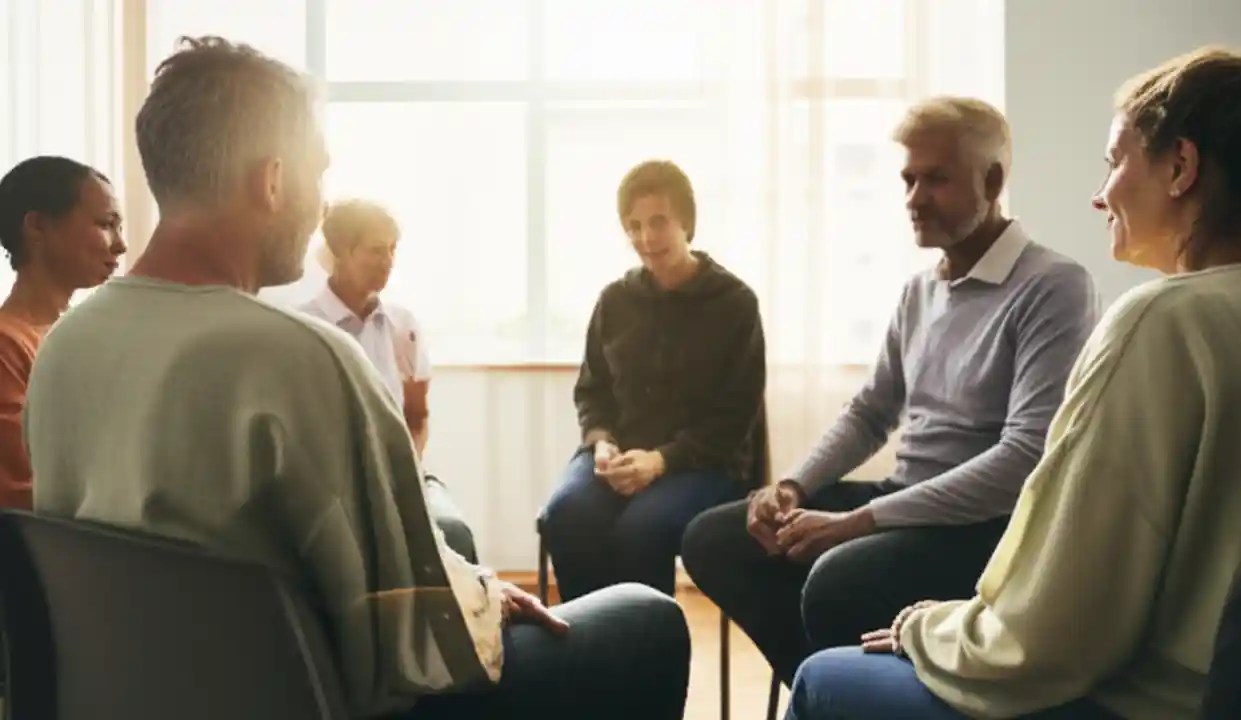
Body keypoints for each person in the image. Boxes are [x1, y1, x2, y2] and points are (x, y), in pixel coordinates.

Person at [25, 37, 689, 720]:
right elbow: (407, 618)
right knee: (646, 619)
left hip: (141, 694)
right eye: (318, 173)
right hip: (308, 699)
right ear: (272, 181)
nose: (321, 204)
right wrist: (483, 597)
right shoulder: (300, 361)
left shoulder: (65, 347)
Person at [787, 38, 1241, 720]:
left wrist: (927, 627)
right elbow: (872, 407)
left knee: (822, 678)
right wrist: (794, 486)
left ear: (1181, 167)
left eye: (1113, 163)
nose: (1099, 196)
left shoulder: (1159, 320)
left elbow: (1056, 634)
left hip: (1152, 700)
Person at [682, 97, 1100, 683]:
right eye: (908, 180)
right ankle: (822, 686)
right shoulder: (918, 291)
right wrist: (793, 486)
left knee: (836, 581)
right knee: (713, 538)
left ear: (993, 181)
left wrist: (858, 523)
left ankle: (835, 686)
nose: (914, 199)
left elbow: (1024, 458)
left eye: (936, 179)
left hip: (985, 527)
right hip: (904, 498)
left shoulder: (1055, 287)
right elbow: (870, 412)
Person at [541, 159, 766, 600]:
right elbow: (592, 391)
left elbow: (735, 417)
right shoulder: (614, 300)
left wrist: (660, 461)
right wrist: (601, 443)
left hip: (705, 464)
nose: (646, 238)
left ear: (687, 222)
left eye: (658, 222)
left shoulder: (735, 303)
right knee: (566, 515)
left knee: (641, 530)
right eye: (634, 226)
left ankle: (645, 643)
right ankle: (589, 638)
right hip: (620, 455)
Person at [298, 198, 476, 563]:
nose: (388, 261)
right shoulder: (304, 328)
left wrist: (405, 476)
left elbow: (417, 417)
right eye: (376, 250)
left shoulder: (402, 326)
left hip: (401, 477)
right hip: (330, 487)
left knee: (454, 532)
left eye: (393, 249)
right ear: (340, 252)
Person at [0, 156, 125, 510]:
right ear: (37, 226)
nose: (120, 245)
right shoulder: (7, 345)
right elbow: (22, 488)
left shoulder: (88, 338)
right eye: (106, 224)